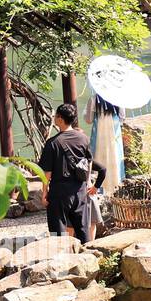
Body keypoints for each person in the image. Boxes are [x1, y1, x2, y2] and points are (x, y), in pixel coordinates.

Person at [38, 103, 105, 242]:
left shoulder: (52, 143)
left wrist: (44, 193)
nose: (54, 118)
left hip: (59, 192)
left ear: (60, 119)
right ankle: (88, 253)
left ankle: (62, 254)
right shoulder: (83, 138)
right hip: (80, 190)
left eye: (56, 116)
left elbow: (47, 173)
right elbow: (89, 161)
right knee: (83, 230)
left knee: (58, 233)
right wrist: (87, 181)